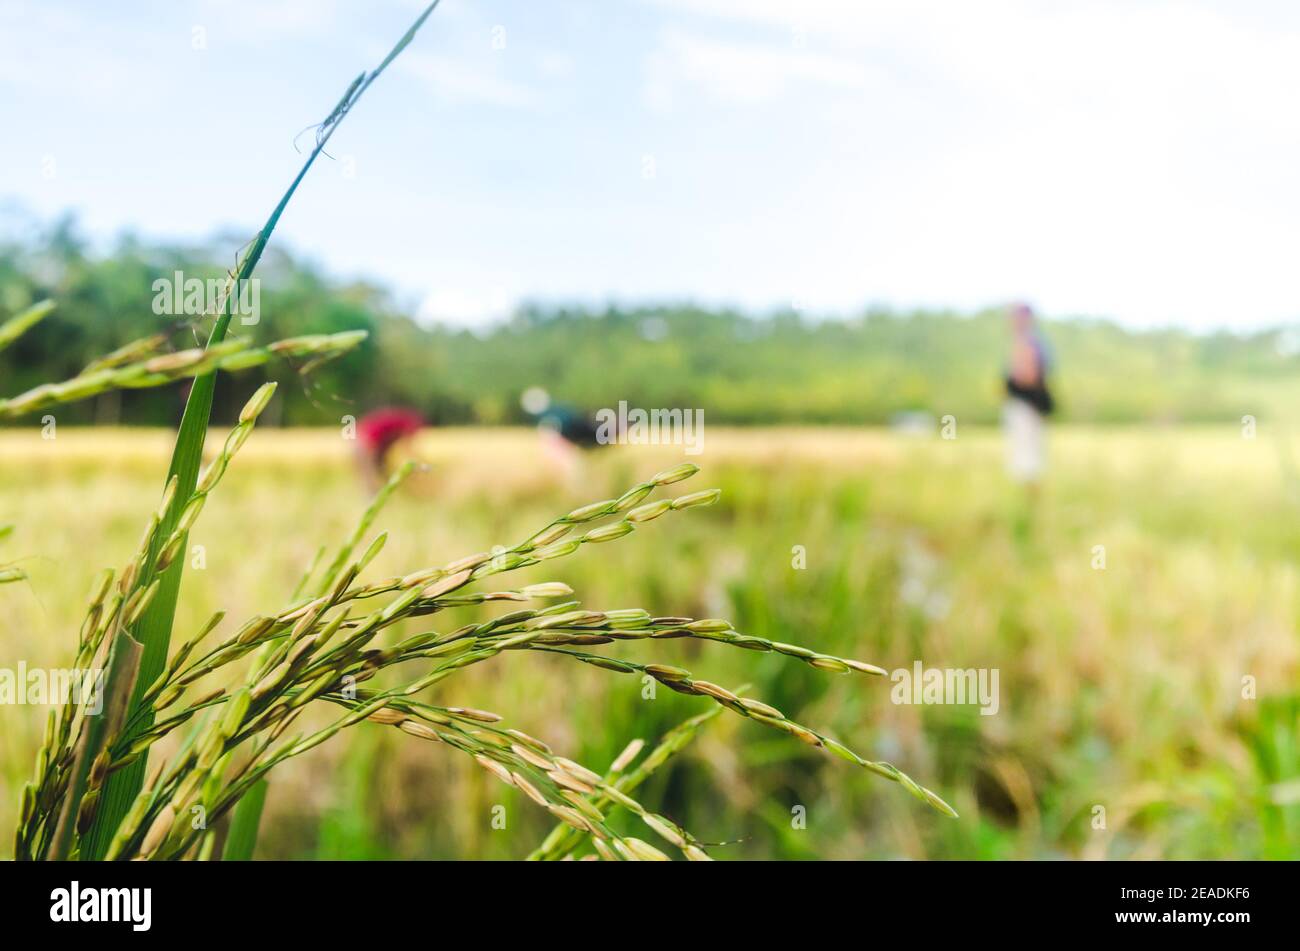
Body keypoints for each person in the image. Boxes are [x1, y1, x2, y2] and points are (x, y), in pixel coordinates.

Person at [1003, 303, 1053, 491]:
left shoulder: (1028, 343)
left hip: (1026, 406)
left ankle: (1028, 501)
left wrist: (1011, 383)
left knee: (1028, 460)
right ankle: (1025, 501)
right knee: (1025, 458)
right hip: (1027, 406)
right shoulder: (1029, 342)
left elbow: (1029, 377)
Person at [355, 406, 423, 491]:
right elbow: (408, 449)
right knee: (370, 475)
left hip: (363, 440)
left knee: (380, 472)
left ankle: (382, 493)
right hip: (365, 442)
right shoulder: (408, 424)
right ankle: (373, 496)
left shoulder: (399, 421)